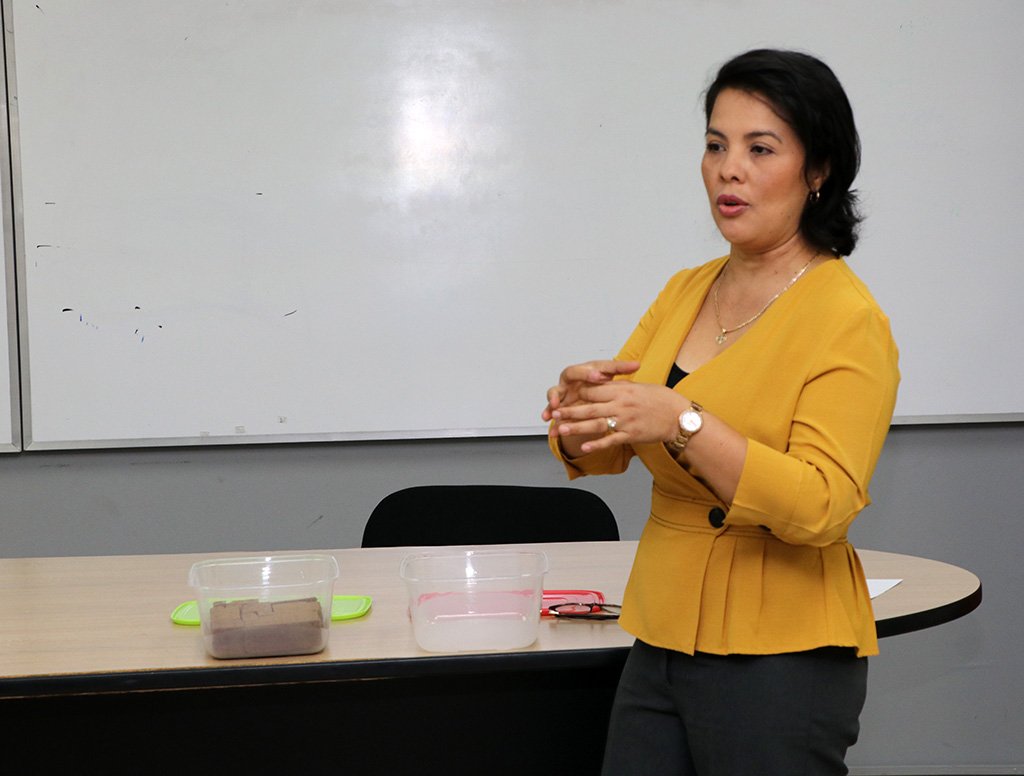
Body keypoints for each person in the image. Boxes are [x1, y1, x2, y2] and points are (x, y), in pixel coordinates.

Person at [542, 49, 899, 775]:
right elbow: (614, 442)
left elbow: (823, 505)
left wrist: (684, 422)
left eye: (759, 149)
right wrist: (582, 413)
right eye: (715, 145)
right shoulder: (686, 288)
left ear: (819, 169)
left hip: (785, 655)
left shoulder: (845, 317)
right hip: (663, 632)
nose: (727, 169)